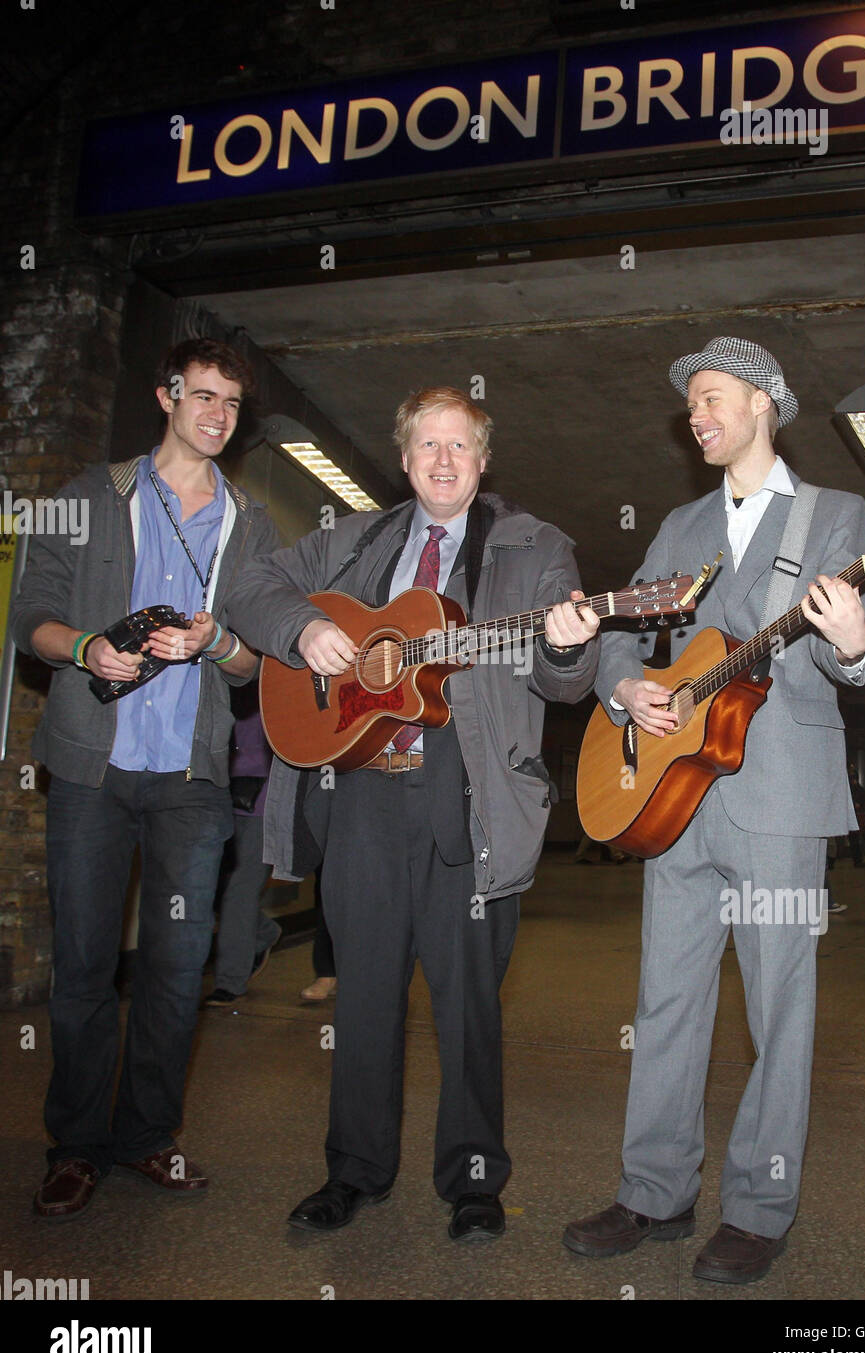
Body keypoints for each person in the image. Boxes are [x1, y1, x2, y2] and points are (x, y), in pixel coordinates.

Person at [228, 386, 600, 1241]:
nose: (442, 461)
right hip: (356, 792)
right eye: (427, 446)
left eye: (459, 446)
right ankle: (353, 1172)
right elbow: (250, 585)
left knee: (469, 1002)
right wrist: (299, 633)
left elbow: (564, 683)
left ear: (482, 460)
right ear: (404, 461)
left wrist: (565, 642)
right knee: (361, 996)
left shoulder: (535, 547)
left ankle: (472, 1181)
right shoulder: (354, 539)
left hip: (463, 796)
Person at [564, 337, 865, 1283]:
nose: (696, 416)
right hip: (673, 793)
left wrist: (855, 640)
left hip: (780, 797)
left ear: (763, 404)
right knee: (666, 999)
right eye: (691, 404)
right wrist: (626, 691)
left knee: (781, 1009)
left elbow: (835, 660)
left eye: (711, 398)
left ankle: (760, 1204)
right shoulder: (680, 523)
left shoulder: (836, 514)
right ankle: (652, 1191)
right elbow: (630, 633)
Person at [12, 338, 278, 1218]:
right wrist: (87, 647)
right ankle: (76, 1145)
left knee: (174, 966)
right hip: (94, 768)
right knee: (86, 966)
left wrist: (219, 643)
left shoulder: (250, 522)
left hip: (191, 780)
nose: (216, 417)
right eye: (202, 397)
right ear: (167, 397)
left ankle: (147, 1138)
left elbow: (251, 664)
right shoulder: (95, 494)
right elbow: (31, 614)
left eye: (231, 406)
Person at [204, 684, 282, 1007]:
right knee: (208, 887)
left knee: (240, 887)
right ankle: (263, 933)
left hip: (262, 795)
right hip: (214, 791)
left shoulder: (270, 672)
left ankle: (230, 981)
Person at [847, 762, 865, 868]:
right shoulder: (854, 788)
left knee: (855, 838)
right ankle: (858, 859)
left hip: (856, 814)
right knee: (855, 838)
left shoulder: (855, 789)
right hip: (854, 814)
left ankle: (858, 859)